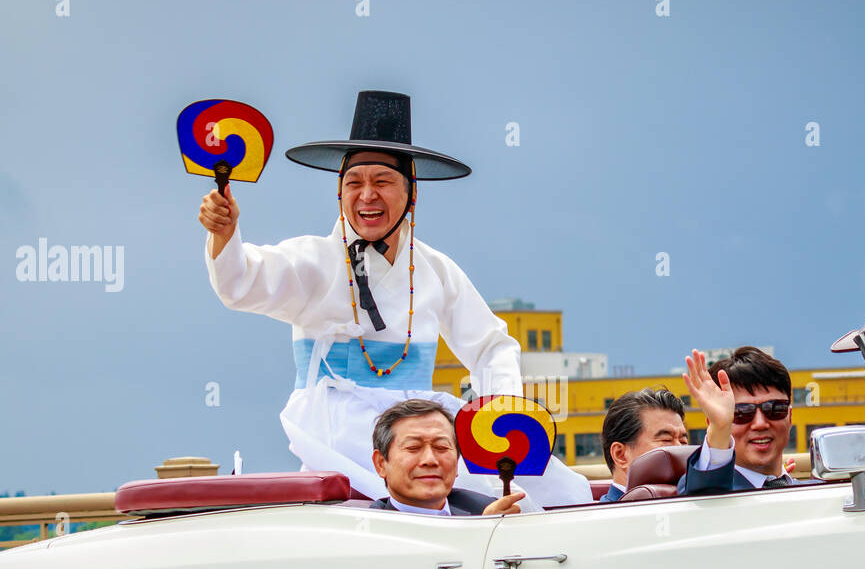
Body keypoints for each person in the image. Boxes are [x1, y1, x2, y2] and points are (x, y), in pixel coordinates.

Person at [198, 90, 590, 507]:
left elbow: (492, 345)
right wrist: (224, 234)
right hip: (337, 428)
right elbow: (241, 282)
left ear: (411, 194)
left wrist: (501, 413)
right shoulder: (312, 260)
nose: (367, 195)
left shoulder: (437, 270)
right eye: (354, 183)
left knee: (554, 487)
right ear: (340, 191)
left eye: (382, 182)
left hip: (420, 427)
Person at [677, 347, 802, 494]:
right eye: (742, 412)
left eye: (775, 409)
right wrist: (720, 429)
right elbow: (703, 500)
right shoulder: (707, 491)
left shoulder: (818, 493)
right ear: (712, 425)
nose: (760, 424)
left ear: (790, 416)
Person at [367, 400, 524, 516]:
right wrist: (483, 533)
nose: (430, 460)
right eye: (413, 448)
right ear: (381, 464)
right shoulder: (366, 531)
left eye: (441, 447)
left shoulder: (486, 509)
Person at [598, 388, 688, 502]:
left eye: (683, 442)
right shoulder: (607, 516)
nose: (679, 450)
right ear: (620, 455)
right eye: (666, 440)